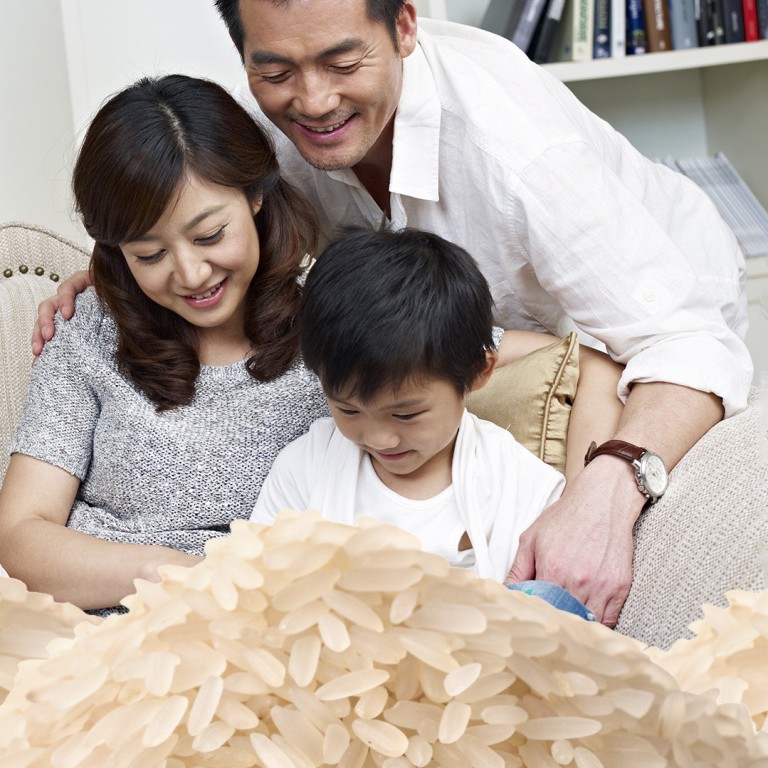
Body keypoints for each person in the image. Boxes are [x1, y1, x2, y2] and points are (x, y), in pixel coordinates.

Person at [32, 0, 753, 625]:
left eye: (343, 62)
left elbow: (680, 345)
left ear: (405, 25)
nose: (313, 101)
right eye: (276, 71)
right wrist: (120, 269)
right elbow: (182, 205)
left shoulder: (520, 152)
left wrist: (599, 493)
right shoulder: (262, 140)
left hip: (661, 313)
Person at [0, 74, 327, 612]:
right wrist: (170, 574)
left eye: (209, 235)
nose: (192, 274)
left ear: (256, 195)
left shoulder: (334, 323)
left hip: (270, 625)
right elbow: (20, 535)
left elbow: (480, 365)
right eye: (149, 255)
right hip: (96, 624)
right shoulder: (88, 329)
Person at [253, 227, 571, 590]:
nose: (380, 439)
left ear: (477, 373)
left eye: (405, 415)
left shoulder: (521, 484)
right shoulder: (304, 468)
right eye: (348, 410)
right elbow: (256, 581)